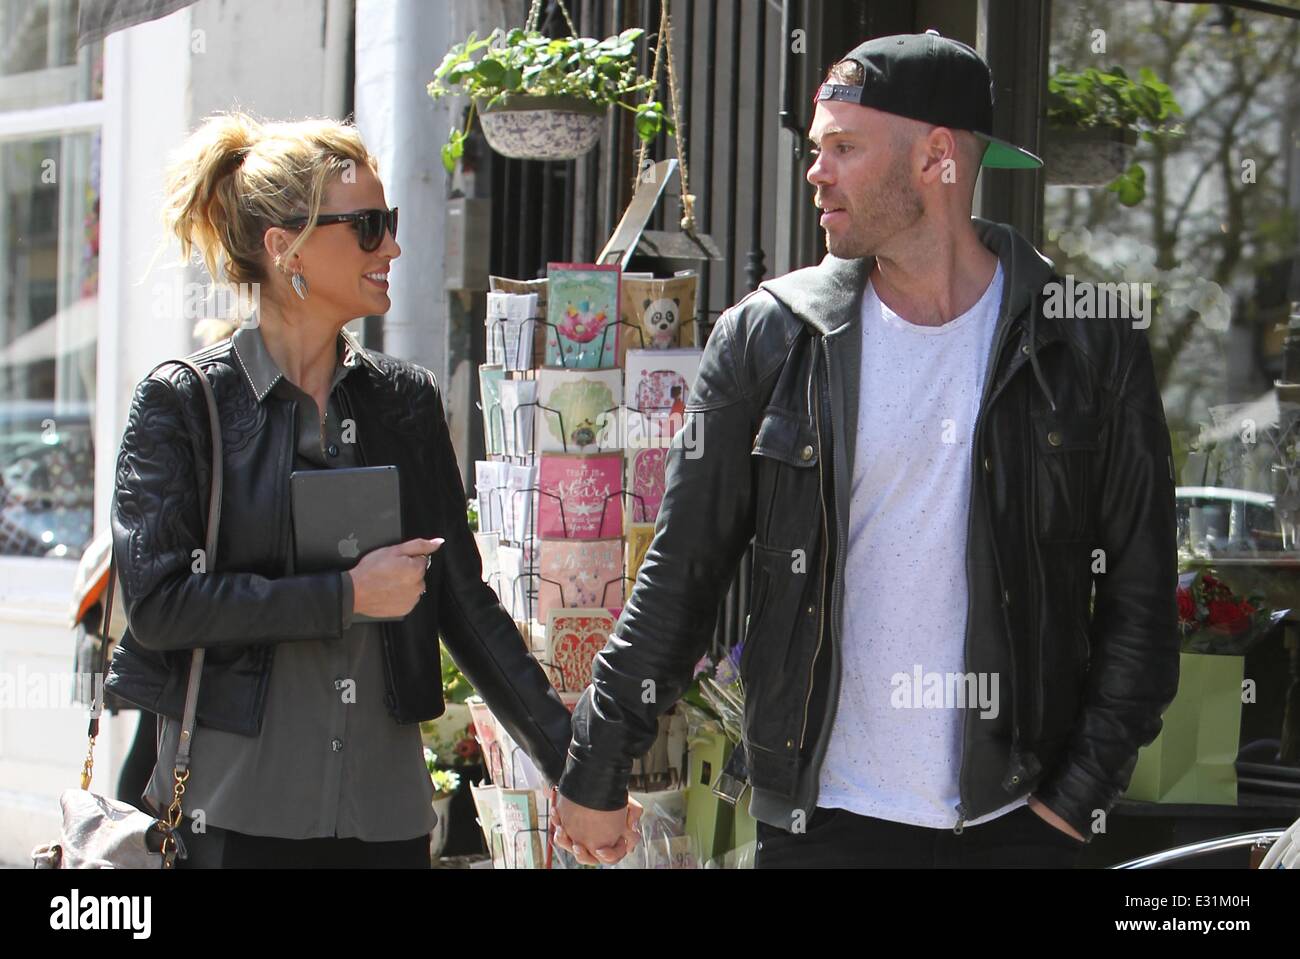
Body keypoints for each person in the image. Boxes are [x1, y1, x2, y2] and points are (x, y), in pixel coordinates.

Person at [551, 32, 1179, 868]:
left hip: (1016, 825)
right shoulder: (770, 338)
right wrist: (596, 763)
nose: (817, 172)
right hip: (822, 826)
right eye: (817, 149)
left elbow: (1141, 596)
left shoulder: (1086, 338)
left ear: (938, 159)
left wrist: (1071, 806)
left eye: (844, 148)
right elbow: (681, 573)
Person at [104, 112, 618, 867]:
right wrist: (345, 594)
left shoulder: (403, 402)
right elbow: (156, 605)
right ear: (286, 249)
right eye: (369, 227)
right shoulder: (187, 404)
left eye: (392, 222)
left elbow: (464, 605)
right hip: (232, 814)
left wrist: (577, 772)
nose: (394, 247)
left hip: (384, 820)